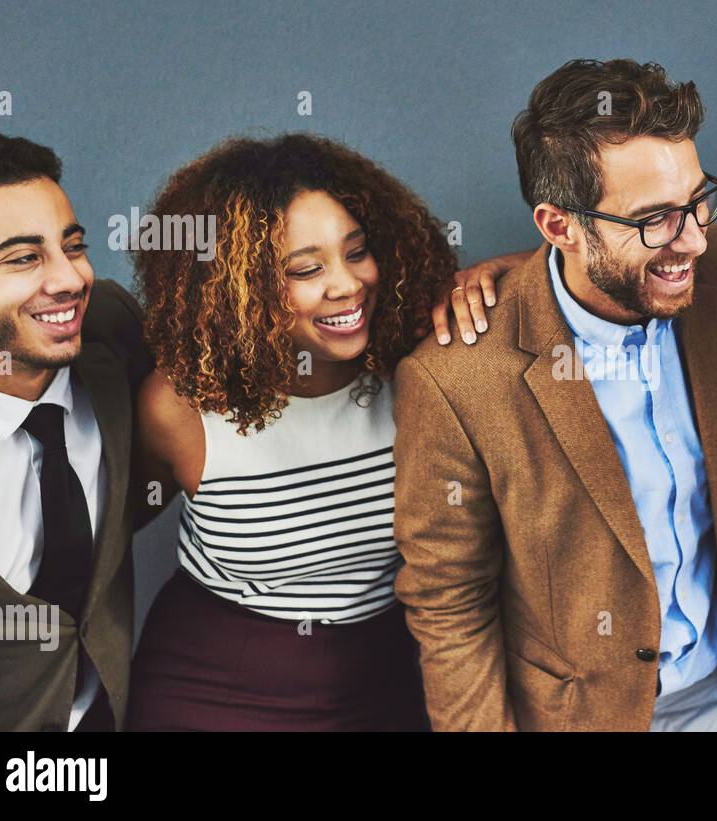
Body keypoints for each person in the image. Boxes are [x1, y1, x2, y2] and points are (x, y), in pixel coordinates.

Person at [392, 59, 717, 731]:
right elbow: (447, 603)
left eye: (699, 200)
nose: (694, 238)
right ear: (557, 226)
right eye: (655, 218)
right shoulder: (455, 378)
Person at [127, 133, 503, 730]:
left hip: (384, 682)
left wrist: (500, 273)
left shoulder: (424, 369)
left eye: (357, 252)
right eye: (306, 269)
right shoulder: (180, 406)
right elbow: (101, 527)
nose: (347, 285)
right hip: (211, 688)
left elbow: (577, 272)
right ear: (233, 292)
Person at [0, 132, 152, 731]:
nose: (69, 280)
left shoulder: (115, 333)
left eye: (74, 246)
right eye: (22, 257)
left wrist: (448, 294)